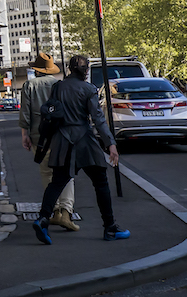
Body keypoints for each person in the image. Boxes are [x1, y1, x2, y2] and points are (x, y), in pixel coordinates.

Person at [34, 55, 130, 244]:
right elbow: (98, 119)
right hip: (84, 139)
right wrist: (110, 143)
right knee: (100, 181)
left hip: (62, 140)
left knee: (57, 182)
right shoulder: (88, 89)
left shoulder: (58, 87)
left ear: (69, 69)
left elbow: (53, 112)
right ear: (85, 71)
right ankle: (110, 227)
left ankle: (43, 219)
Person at [20, 53, 79, 233]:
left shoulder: (29, 85)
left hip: (39, 136)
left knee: (47, 173)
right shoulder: (59, 85)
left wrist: (25, 134)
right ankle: (66, 212)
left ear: (36, 70)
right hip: (61, 135)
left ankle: (53, 210)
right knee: (66, 173)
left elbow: (25, 113)